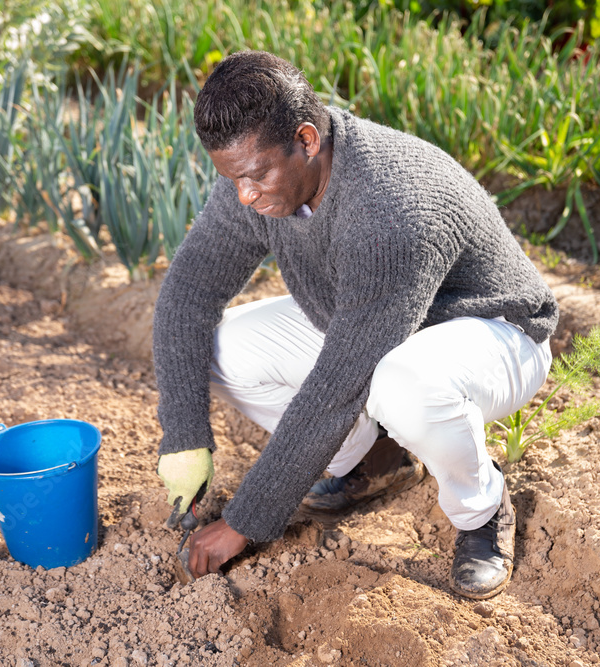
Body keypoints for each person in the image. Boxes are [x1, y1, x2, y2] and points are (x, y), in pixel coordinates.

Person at [153, 50, 557, 600]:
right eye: (232, 178)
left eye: (256, 176)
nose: (245, 195)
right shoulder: (256, 176)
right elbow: (190, 290)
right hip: (375, 321)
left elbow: (338, 386)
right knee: (223, 348)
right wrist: (184, 442)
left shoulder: (389, 210)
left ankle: (481, 511)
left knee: (404, 385)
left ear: (307, 139)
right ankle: (373, 461)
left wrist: (244, 523)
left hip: (491, 332)